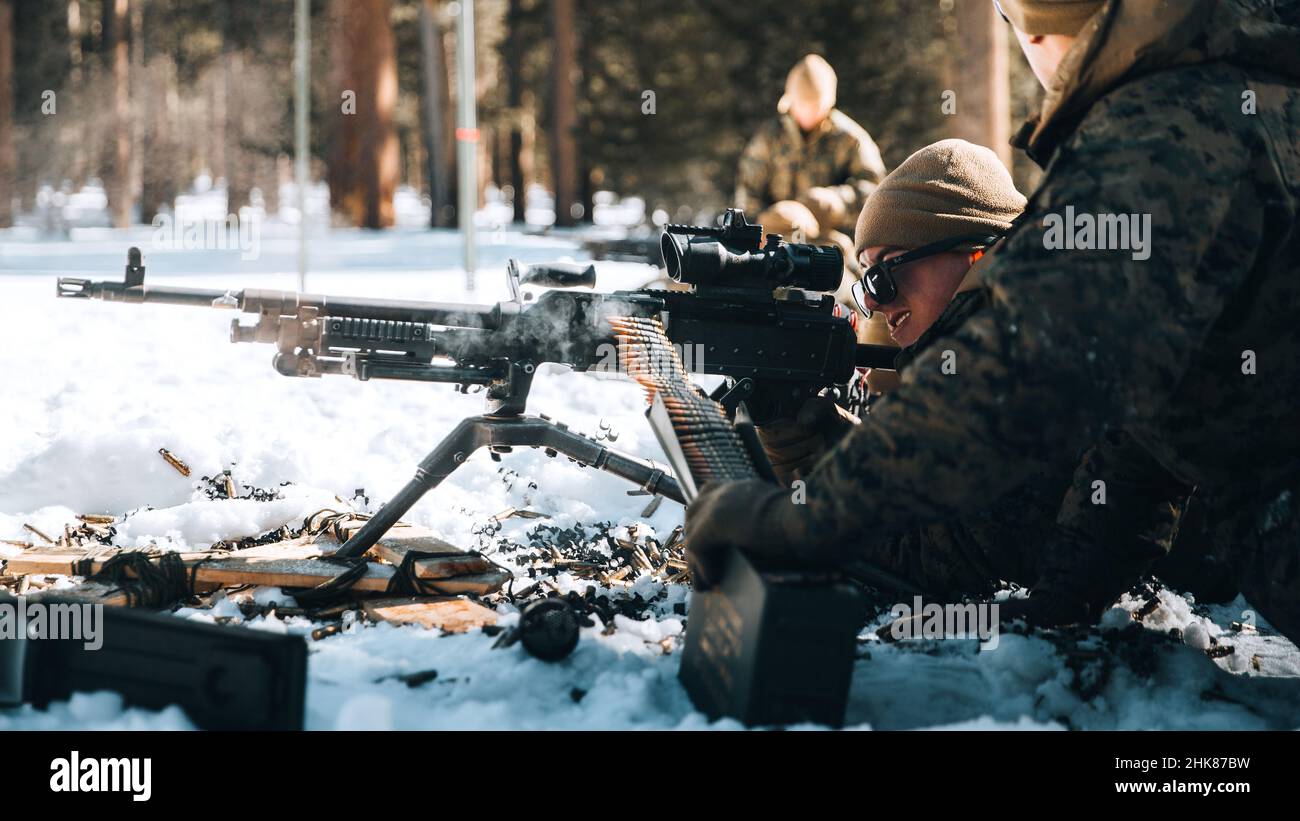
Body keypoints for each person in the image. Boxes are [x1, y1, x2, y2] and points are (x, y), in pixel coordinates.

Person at [689, 0, 1300, 641]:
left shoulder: (1165, 123)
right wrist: (1068, 596)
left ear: (1036, 26)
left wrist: (797, 521)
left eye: (888, 275)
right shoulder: (1242, 90)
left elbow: (1019, 375)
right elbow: (1141, 438)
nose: (878, 304)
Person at [735, 54, 886, 253]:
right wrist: (767, 221)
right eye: (802, 106)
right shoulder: (768, 138)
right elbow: (747, 194)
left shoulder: (850, 139)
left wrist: (836, 202)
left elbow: (876, 194)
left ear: (828, 103)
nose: (808, 114)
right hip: (772, 243)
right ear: (790, 102)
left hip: (830, 247)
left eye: (815, 107)